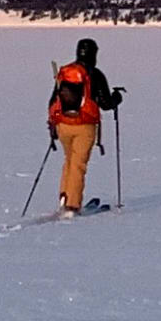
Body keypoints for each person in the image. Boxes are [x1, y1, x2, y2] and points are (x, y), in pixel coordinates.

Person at [47, 37, 121, 214]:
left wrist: (53, 124)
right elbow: (105, 103)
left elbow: (54, 100)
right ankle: (72, 205)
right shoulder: (95, 74)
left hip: (63, 124)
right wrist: (117, 98)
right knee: (78, 164)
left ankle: (64, 198)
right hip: (84, 126)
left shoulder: (66, 73)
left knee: (69, 161)